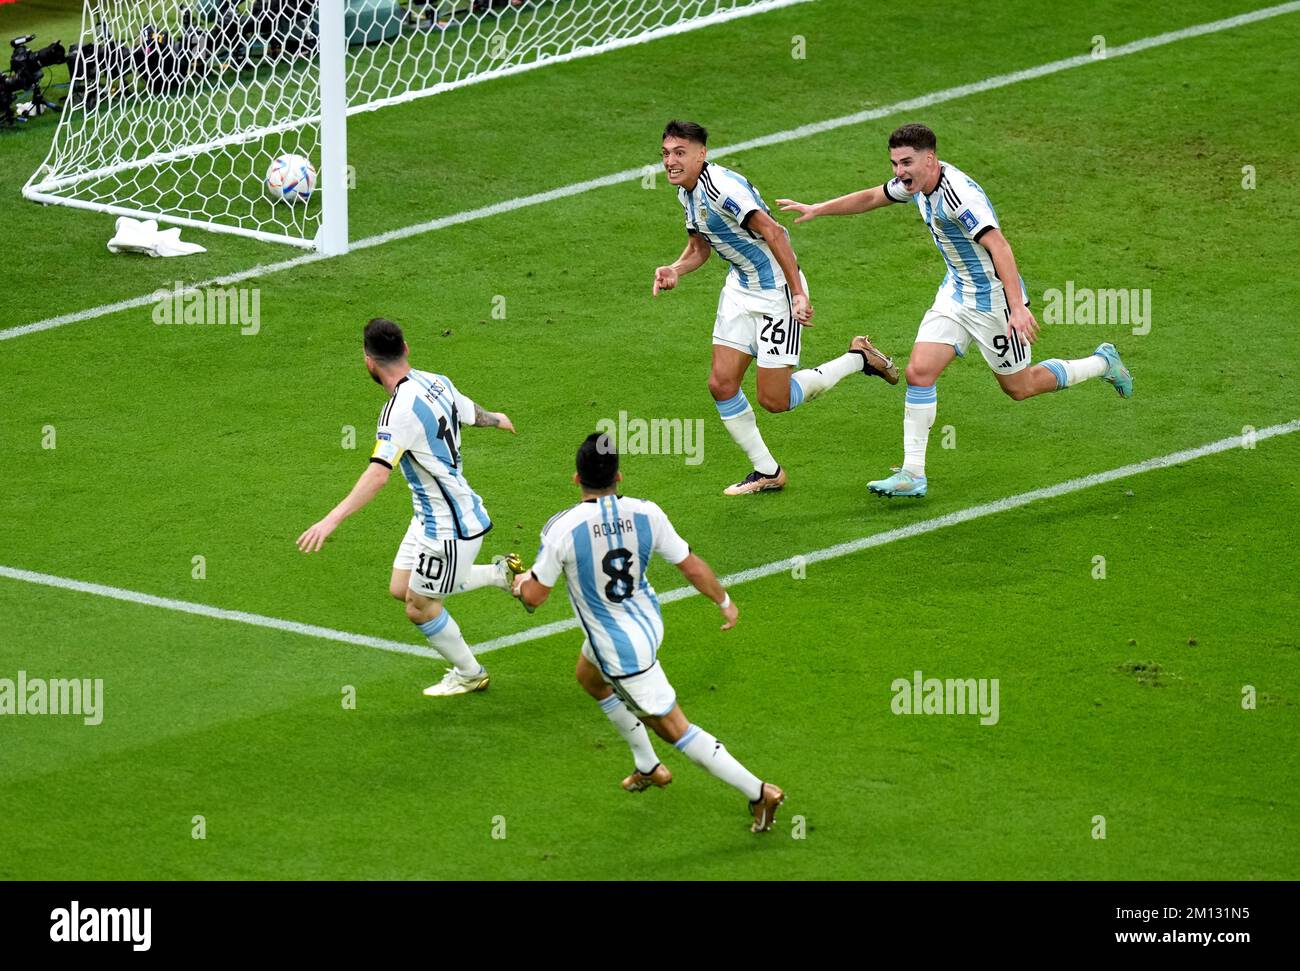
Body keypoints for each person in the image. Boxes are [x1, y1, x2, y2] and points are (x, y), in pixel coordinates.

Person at [777, 123, 1133, 498]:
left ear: (930, 159)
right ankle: (913, 474)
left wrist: (1016, 308)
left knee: (1019, 386)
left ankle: (1102, 363)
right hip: (956, 294)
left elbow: (1000, 247)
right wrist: (820, 208)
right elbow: (872, 197)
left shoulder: (959, 196)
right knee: (919, 373)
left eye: (907, 162)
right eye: (895, 163)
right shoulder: (917, 183)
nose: (899, 171)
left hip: (994, 303)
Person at [513, 433, 786, 832]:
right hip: (647, 623)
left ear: (576, 478)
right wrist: (724, 601)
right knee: (589, 679)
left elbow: (535, 599)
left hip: (621, 649)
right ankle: (648, 765)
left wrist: (519, 584)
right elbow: (689, 564)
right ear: (619, 476)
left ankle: (760, 792)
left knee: (676, 729)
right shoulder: (646, 513)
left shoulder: (563, 528)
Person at [653, 119, 899, 496]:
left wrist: (798, 293)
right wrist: (675, 269)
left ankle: (859, 358)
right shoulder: (688, 192)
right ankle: (767, 471)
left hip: (776, 292)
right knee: (721, 384)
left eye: (680, 153)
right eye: (666, 153)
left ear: (702, 154)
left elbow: (776, 232)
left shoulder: (721, 189)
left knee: (775, 400)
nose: (671, 161)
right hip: (740, 288)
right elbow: (700, 248)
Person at [297, 317, 524, 697]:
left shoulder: (396, 412)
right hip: (428, 517)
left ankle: (470, 672)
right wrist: (498, 419)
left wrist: (330, 520)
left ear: (368, 361)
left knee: (419, 607)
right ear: (405, 349)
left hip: (450, 528)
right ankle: (500, 575)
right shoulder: (437, 381)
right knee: (401, 587)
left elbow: (378, 474)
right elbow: (473, 414)